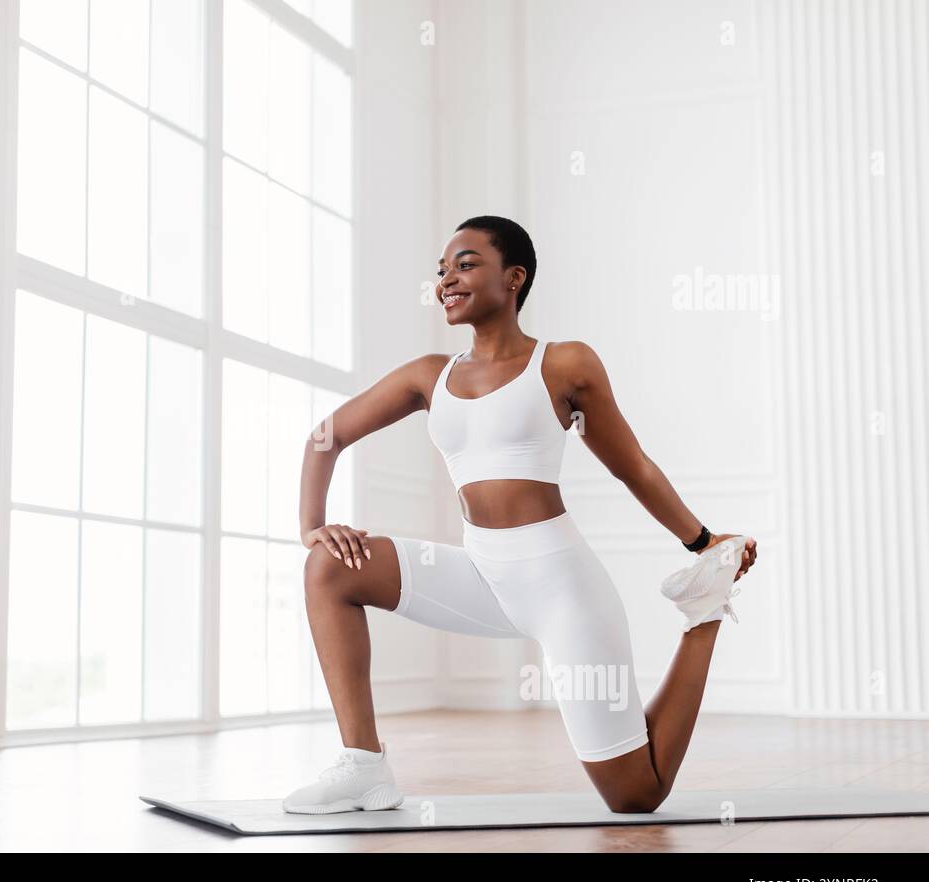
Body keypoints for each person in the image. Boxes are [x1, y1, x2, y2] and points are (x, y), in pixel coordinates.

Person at [283, 215, 757, 815]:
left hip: (562, 588)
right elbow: (325, 436)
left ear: (514, 278)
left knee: (634, 795)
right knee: (329, 569)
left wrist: (704, 542)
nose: (447, 278)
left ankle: (703, 613)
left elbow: (631, 465)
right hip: (481, 575)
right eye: (441, 269)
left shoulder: (564, 364)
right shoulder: (430, 376)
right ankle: (364, 767)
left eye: (466, 263)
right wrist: (311, 526)